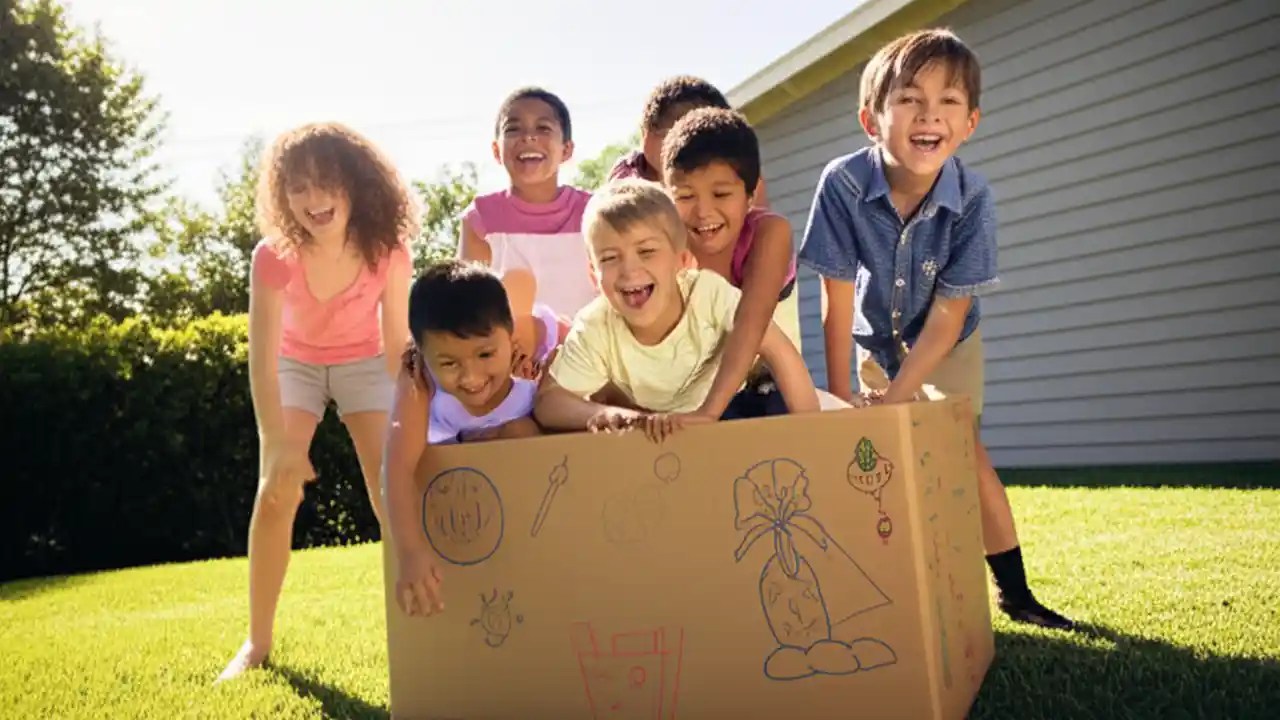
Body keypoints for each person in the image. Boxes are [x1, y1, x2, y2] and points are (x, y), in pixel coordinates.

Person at [795, 28, 1074, 630]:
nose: (929, 115)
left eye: (948, 101)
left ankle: (1017, 595)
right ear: (872, 119)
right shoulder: (842, 183)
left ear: (970, 122)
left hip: (950, 341)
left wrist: (897, 400)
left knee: (962, 452)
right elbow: (836, 300)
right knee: (875, 462)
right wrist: (844, 399)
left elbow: (947, 321)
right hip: (874, 336)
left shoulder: (975, 199)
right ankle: (888, 587)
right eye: (909, 99)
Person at [219, 122, 419, 681]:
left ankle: (424, 625)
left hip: (364, 364)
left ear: (356, 184)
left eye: (327, 182)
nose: (314, 199)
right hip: (296, 366)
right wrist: (279, 444)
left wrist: (412, 415)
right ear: (282, 196)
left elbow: (396, 347)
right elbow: (263, 361)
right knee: (275, 495)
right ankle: (256, 643)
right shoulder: (273, 258)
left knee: (392, 492)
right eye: (299, 187)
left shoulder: (389, 251)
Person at [534, 180, 819, 442]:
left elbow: (780, 353)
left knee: (772, 406)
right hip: (654, 425)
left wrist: (814, 434)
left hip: (732, 405)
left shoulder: (708, 295)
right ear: (594, 275)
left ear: (681, 261)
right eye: (609, 258)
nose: (629, 269)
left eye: (646, 252)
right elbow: (549, 403)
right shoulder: (597, 325)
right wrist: (604, 415)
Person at [385, 260, 542, 619]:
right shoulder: (418, 383)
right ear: (423, 357)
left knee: (524, 431)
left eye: (486, 354)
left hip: (525, 538)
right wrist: (409, 552)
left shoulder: (532, 389)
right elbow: (396, 465)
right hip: (461, 536)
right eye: (449, 363)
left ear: (510, 337)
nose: (471, 376)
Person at [661, 106, 810, 419]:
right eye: (686, 196)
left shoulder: (769, 232)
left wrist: (707, 413)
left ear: (751, 194)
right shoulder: (665, 246)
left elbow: (750, 323)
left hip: (769, 386)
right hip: (690, 389)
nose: (703, 211)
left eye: (720, 194)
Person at [458, 86, 596, 375]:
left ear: (567, 150)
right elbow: (467, 308)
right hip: (511, 374)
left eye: (543, 127)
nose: (528, 137)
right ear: (496, 150)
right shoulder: (481, 218)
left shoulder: (595, 212)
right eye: (513, 128)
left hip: (588, 363)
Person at [609, 75, 769, 207]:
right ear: (647, 137)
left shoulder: (740, 173)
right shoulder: (627, 178)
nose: (695, 147)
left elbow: (763, 225)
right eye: (682, 134)